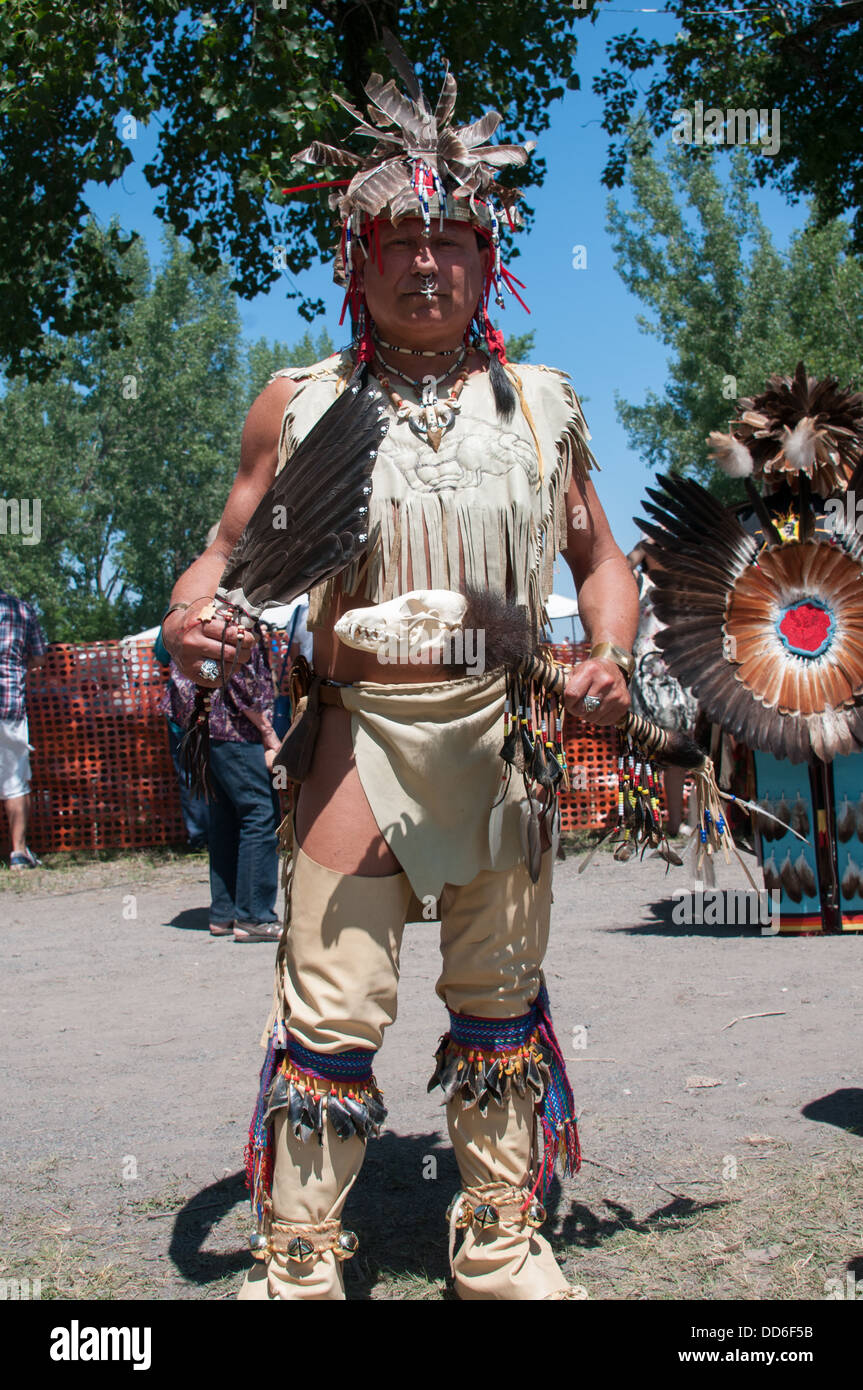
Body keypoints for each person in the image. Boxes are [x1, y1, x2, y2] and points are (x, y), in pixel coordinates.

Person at [162, 40, 638, 1300]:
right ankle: (301, 1252)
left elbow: (603, 561)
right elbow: (215, 559)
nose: (425, 262)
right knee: (331, 1007)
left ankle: (495, 1235)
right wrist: (186, 626)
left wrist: (608, 657)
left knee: (499, 990)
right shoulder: (299, 401)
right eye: (396, 241)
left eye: (451, 239)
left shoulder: (542, 405)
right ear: (355, 262)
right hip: (355, 730)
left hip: (497, 733)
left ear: (488, 259)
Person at [159, 626, 283, 941]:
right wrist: (267, 730)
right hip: (234, 731)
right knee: (258, 815)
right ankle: (254, 916)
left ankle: (224, 914)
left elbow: (206, 669)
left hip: (204, 731)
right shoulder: (234, 616)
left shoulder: (199, 615)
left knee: (225, 820)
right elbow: (237, 677)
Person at [0, 585, 48, 869]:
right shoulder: (22, 610)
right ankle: (18, 853)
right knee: (14, 783)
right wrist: (19, 664)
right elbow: (40, 657)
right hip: (9, 708)